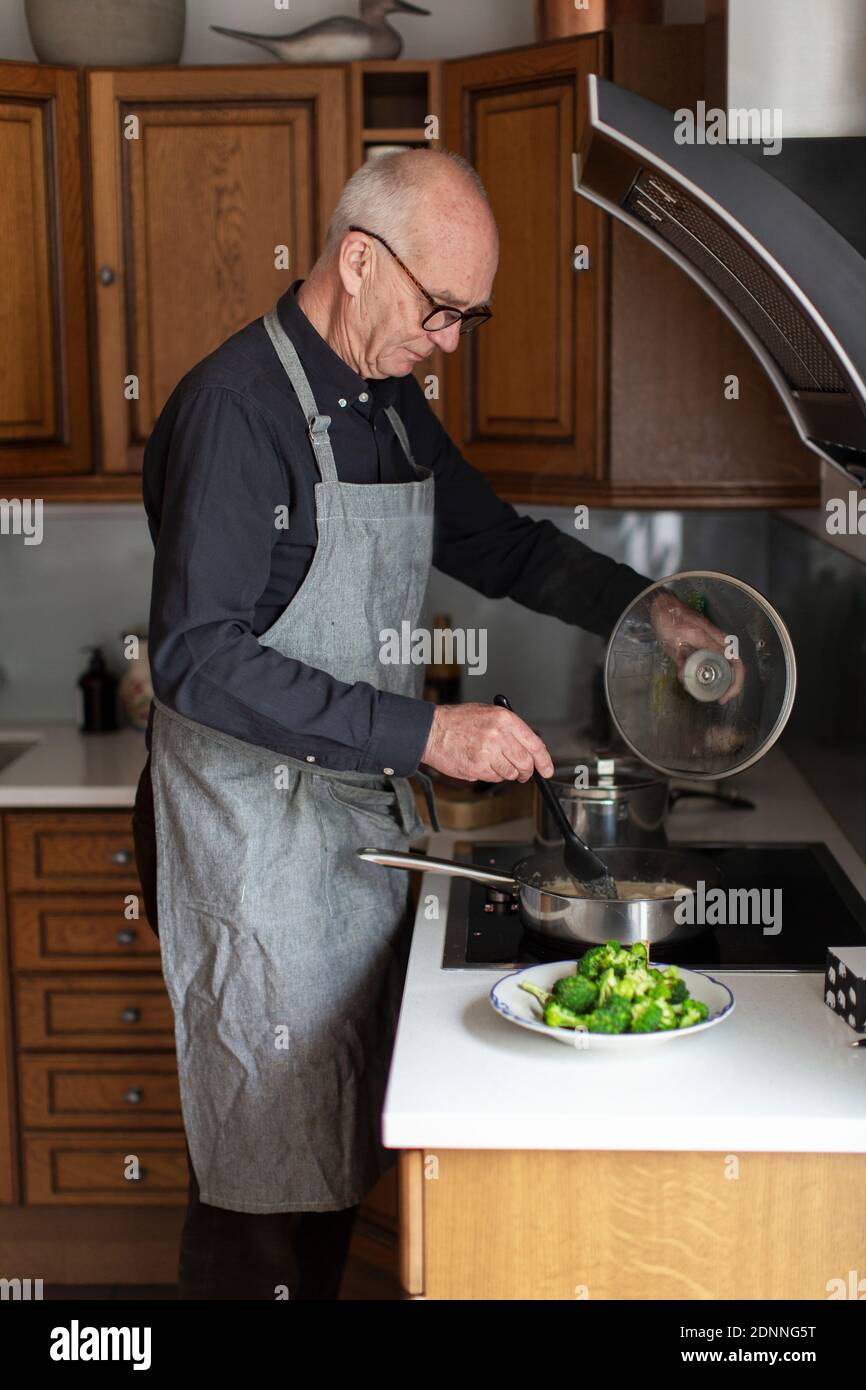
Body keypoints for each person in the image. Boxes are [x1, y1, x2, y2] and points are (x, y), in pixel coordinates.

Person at [132, 149, 737, 1301]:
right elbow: (195, 660)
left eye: (467, 315)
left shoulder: (389, 402)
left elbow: (500, 543)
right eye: (439, 310)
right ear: (357, 261)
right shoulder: (236, 411)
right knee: (263, 1177)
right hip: (251, 847)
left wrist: (645, 611)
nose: (450, 341)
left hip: (347, 836)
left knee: (326, 1161)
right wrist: (427, 735)